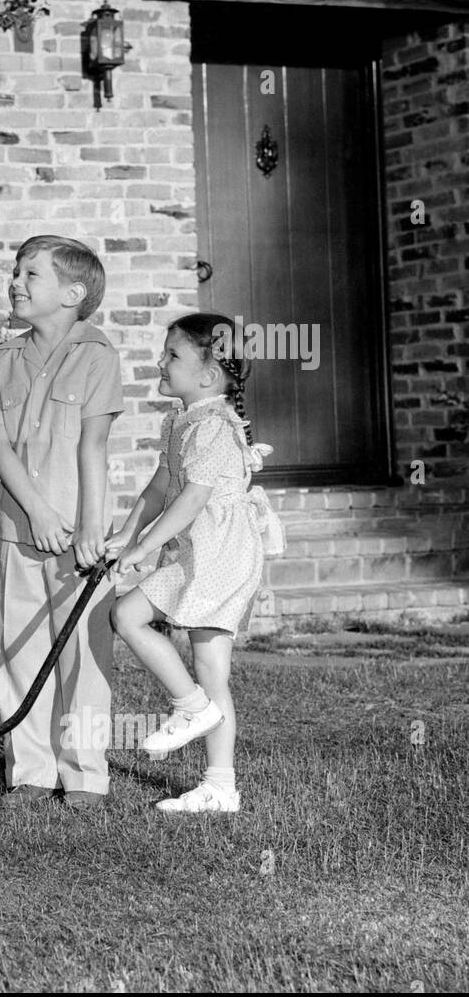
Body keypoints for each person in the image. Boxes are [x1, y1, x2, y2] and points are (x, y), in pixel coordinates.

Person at [108, 312, 284, 813]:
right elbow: (162, 487)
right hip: (198, 551)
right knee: (209, 669)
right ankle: (220, 786)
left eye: (173, 356)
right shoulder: (181, 419)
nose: (160, 362)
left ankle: (190, 710)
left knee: (128, 615)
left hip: (218, 555)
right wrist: (126, 533)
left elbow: (191, 501)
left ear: (209, 375)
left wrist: (143, 550)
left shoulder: (212, 426)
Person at [0, 236, 122, 809]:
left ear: (72, 293)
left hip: (78, 538)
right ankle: (30, 771)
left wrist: (89, 527)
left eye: (30, 274)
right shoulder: (5, 359)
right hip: (20, 527)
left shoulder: (97, 356)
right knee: (17, 651)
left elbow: (94, 448)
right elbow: (0, 447)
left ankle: (84, 774)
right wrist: (34, 509)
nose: (15, 281)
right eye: (16, 271)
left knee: (82, 654)